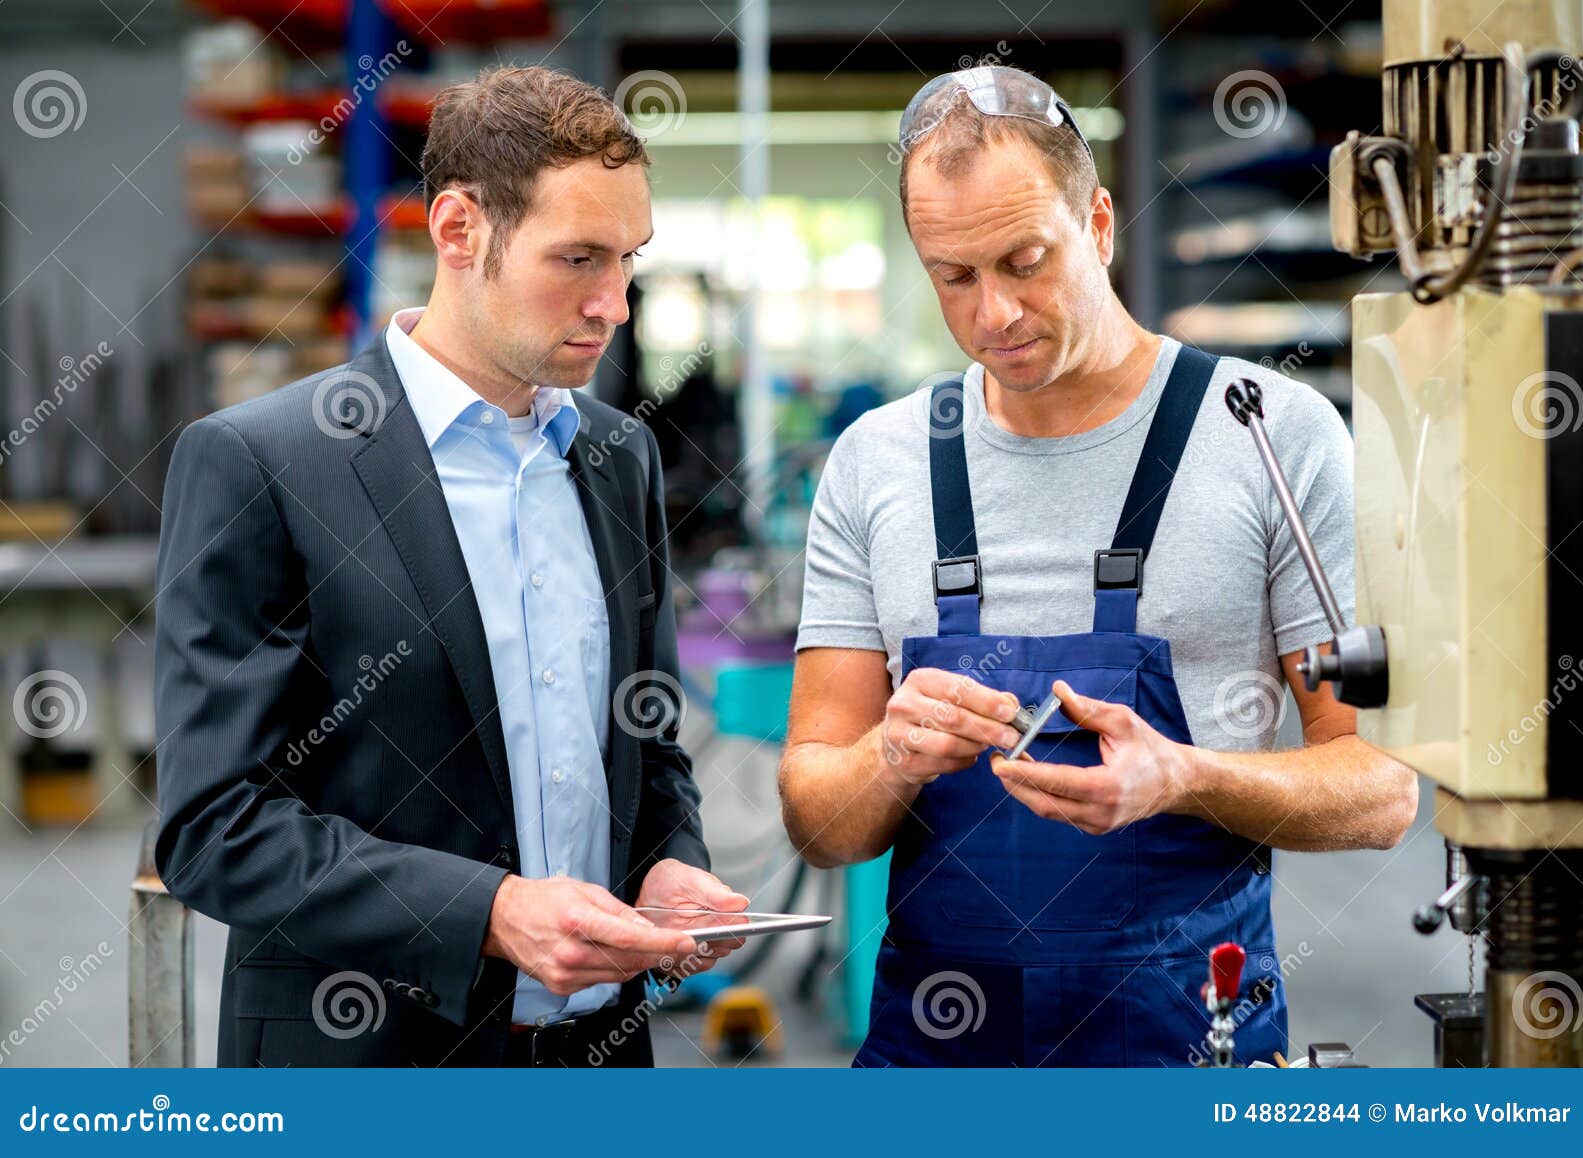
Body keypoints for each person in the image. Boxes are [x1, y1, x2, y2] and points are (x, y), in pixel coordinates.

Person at [778, 66, 1417, 1067]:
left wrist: (1184, 776)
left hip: (1179, 1050)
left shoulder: (1268, 434)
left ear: (1101, 223)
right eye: (953, 276)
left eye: (1025, 259)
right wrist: (887, 756)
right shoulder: (875, 461)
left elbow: (1380, 790)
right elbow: (819, 824)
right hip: (937, 1057)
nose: (994, 313)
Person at [154, 65, 746, 1068]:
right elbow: (217, 826)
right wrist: (491, 913)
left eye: (631, 261)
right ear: (458, 231)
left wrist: (668, 864)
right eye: (578, 259)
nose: (616, 306)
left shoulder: (615, 455)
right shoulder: (262, 463)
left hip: (595, 1056)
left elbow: (648, 747)